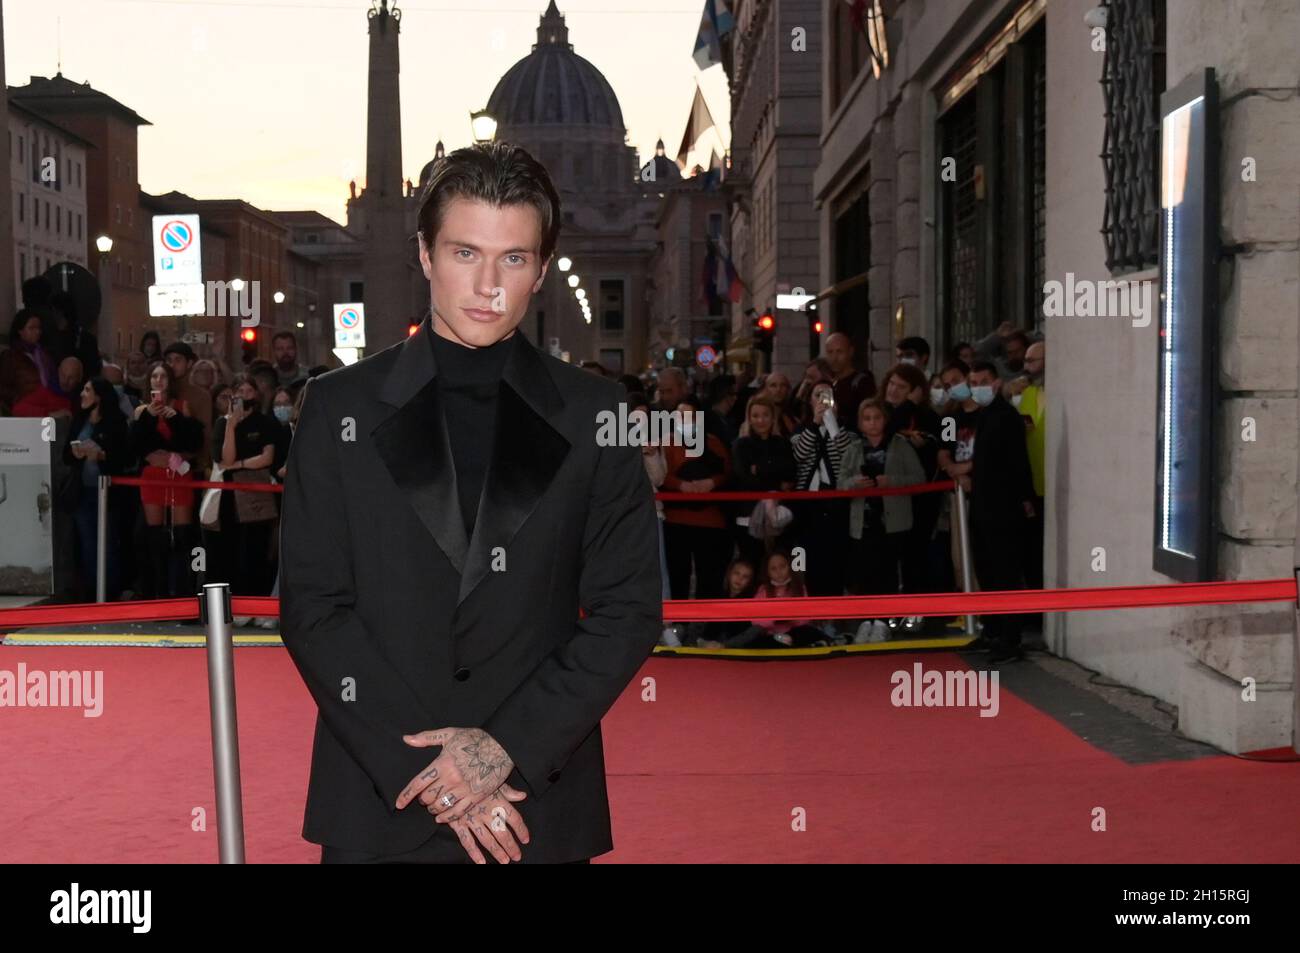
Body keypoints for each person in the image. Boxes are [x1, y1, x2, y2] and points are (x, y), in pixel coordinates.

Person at [279, 141, 661, 865]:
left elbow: (628, 607)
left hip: (531, 810)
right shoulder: (337, 408)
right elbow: (315, 607)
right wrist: (431, 774)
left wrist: (502, 750)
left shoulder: (594, 413)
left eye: (512, 259)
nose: (487, 284)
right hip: (380, 802)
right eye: (464, 253)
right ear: (425, 253)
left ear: (541, 269)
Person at [941, 361, 1035, 662]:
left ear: (995, 384)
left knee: (1005, 571)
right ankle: (992, 630)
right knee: (985, 568)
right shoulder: (978, 416)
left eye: (983, 381)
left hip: (1003, 505)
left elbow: (1017, 462)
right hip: (981, 502)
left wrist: (1024, 498)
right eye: (973, 381)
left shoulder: (1006, 417)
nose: (977, 386)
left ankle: (1010, 638)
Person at [839, 399, 924, 642]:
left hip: (892, 521)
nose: (872, 423)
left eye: (876, 417)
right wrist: (855, 484)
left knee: (887, 573)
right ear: (860, 423)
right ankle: (867, 619)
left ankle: (885, 621)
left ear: (884, 420)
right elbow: (840, 482)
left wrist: (892, 481)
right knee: (864, 572)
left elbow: (918, 477)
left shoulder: (900, 445)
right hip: (862, 521)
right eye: (867, 419)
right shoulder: (854, 448)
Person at [131, 362, 204, 599]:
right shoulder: (141, 411)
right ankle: (157, 594)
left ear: (170, 381)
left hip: (178, 473)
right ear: (149, 381)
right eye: (154, 376)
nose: (158, 380)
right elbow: (135, 446)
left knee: (182, 536)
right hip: (153, 476)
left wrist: (176, 420)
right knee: (155, 537)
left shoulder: (182, 407)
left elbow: (193, 444)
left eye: (163, 376)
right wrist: (149, 418)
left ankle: (183, 593)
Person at [63, 378, 130, 600]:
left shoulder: (116, 422)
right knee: (87, 543)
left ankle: (110, 592)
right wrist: (76, 454)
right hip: (82, 492)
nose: (82, 394)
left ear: (99, 396)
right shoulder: (79, 420)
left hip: (107, 492)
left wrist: (101, 456)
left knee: (108, 542)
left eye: (87, 390)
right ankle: (92, 593)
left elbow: (124, 459)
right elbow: (65, 454)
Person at [660, 395, 733, 601]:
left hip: (710, 520)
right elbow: (659, 473)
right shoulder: (666, 442)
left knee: (709, 575)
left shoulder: (713, 442)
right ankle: (679, 625)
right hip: (676, 519)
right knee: (677, 574)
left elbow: (727, 471)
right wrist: (680, 485)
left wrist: (711, 483)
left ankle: (706, 625)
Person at [790, 382, 852, 596]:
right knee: (806, 558)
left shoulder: (844, 429)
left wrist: (832, 424)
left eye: (828, 396)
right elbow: (798, 456)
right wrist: (816, 423)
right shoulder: (800, 429)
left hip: (835, 502)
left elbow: (848, 458)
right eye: (818, 395)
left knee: (834, 558)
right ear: (810, 400)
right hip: (807, 503)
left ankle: (833, 611)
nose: (823, 400)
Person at [730, 393, 796, 569]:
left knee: (779, 567)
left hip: (779, 516)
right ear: (749, 418)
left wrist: (759, 469)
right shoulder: (741, 445)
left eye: (765, 415)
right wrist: (776, 481)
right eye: (755, 416)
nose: (760, 420)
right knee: (752, 567)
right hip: (748, 516)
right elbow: (744, 477)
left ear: (773, 417)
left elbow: (790, 473)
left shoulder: (782, 444)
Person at [163, 341, 214, 477]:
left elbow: (205, 433)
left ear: (189, 363)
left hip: (191, 465)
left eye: (178, 360)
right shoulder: (159, 392)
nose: (172, 365)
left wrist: (203, 466)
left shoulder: (201, 395)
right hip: (161, 463)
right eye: (169, 360)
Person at [688, 558, 758, 648]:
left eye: (745, 577)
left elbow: (749, 633)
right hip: (708, 644)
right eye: (737, 573)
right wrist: (701, 642)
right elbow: (699, 622)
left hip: (733, 647)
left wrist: (725, 645)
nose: (739, 578)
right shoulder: (716, 596)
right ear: (729, 574)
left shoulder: (750, 602)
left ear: (750, 582)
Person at [0, 310, 60, 412]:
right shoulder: (11, 357)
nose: (37, 332)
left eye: (39, 328)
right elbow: (4, 387)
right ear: (20, 331)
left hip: (45, 405)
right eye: (31, 328)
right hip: (24, 409)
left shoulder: (44, 355)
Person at [824, 332, 875, 432]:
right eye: (830, 352)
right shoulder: (828, 383)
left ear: (850, 352)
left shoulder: (862, 382)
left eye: (839, 352)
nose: (834, 358)